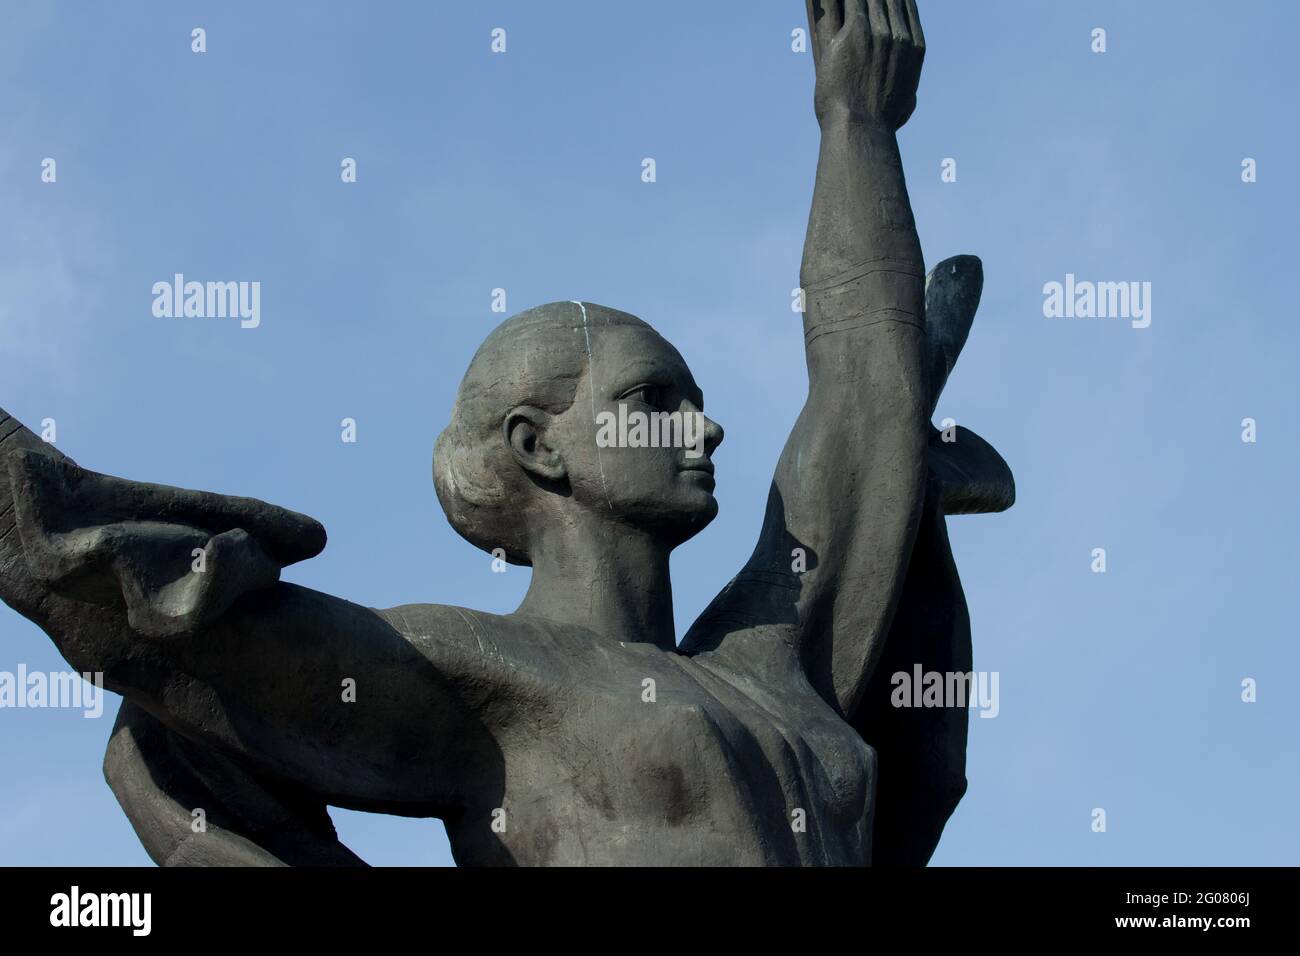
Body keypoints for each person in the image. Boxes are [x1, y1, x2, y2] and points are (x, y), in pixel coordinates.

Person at [0, 0, 1012, 866]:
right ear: (539, 446)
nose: (705, 424)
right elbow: (130, 599)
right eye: (654, 400)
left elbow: (861, 413)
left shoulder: (767, 656)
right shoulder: (470, 666)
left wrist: (856, 123)